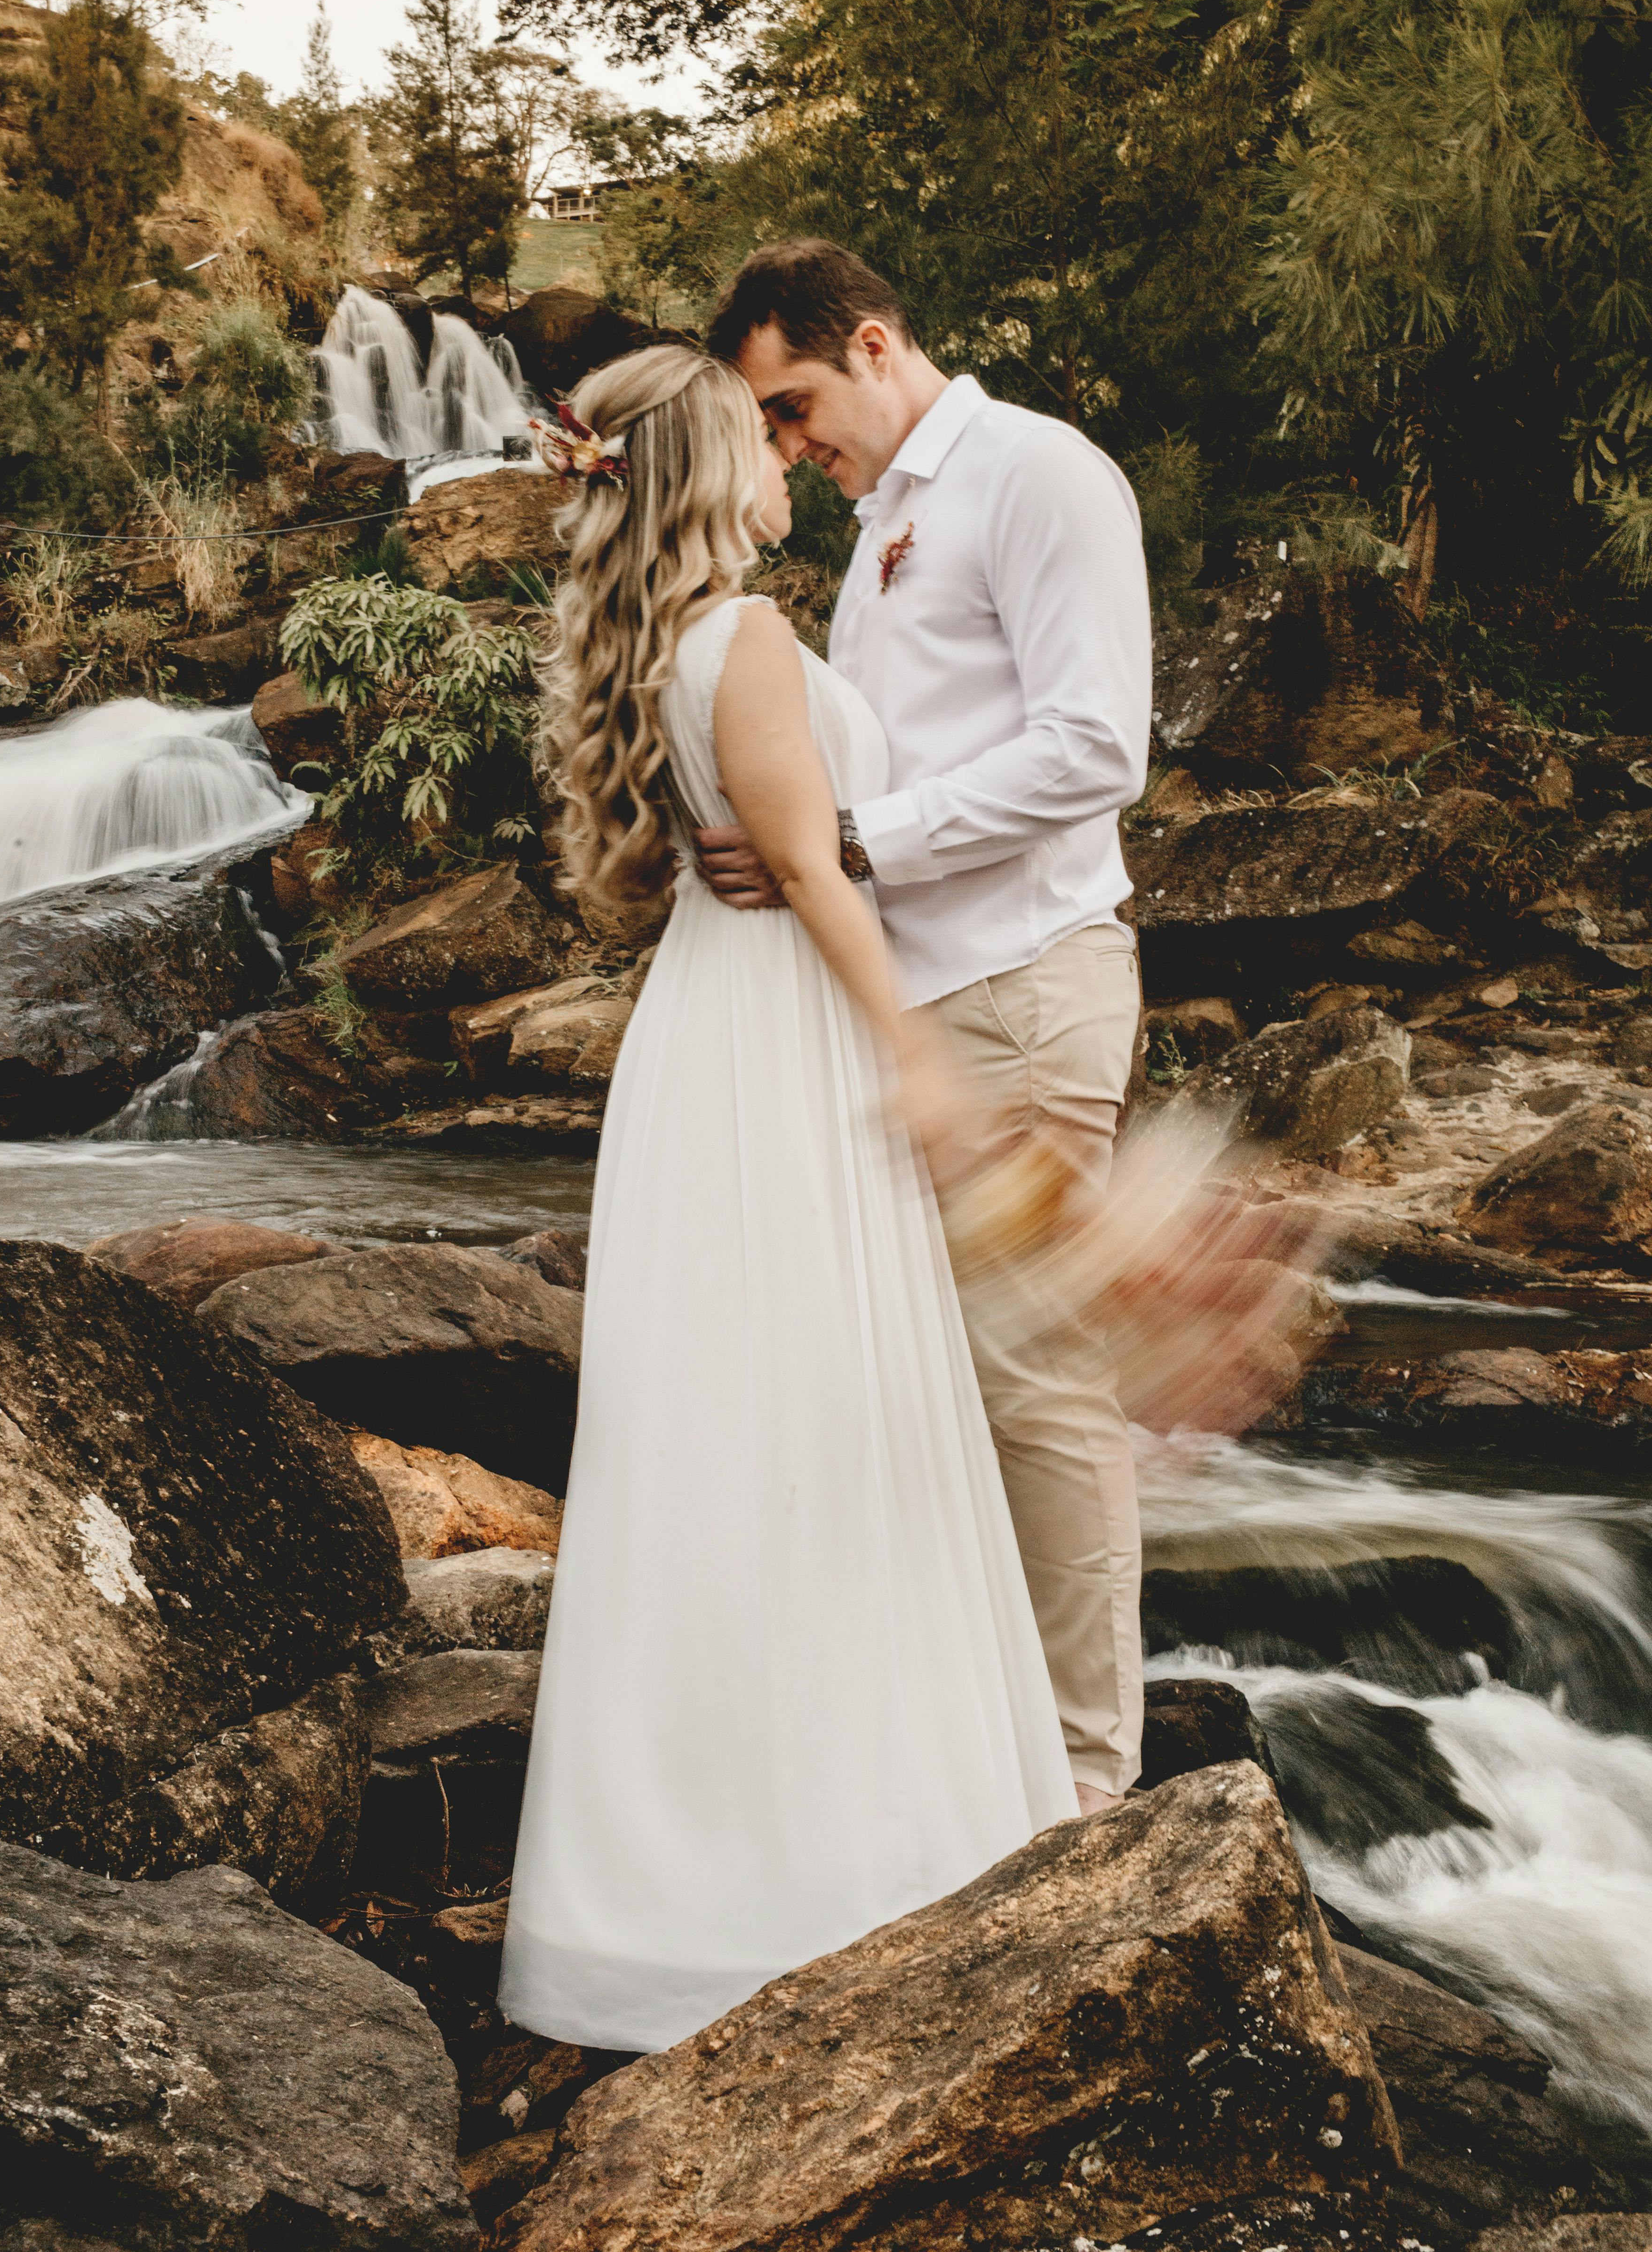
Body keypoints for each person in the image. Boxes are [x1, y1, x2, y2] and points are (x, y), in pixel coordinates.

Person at [497, 343, 1076, 2058]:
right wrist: (917, 1055)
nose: (781, 454)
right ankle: (819, 1872)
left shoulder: (684, 642)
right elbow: (813, 868)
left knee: (735, 1438)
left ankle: (701, 1863)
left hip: (715, 1037)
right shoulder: (740, 637)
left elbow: (788, 837)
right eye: (759, 433)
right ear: (701, 467)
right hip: (786, 1039)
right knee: (819, 1426)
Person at [699, 240, 1152, 1817]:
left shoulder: (1039, 473)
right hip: (917, 1010)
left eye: (799, 405)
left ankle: (1090, 1791)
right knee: (927, 1387)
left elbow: (1099, 746)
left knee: (1037, 1385)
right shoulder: (882, 520)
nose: (791, 445)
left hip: (1027, 987)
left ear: (878, 342)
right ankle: (979, 1753)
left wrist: (851, 840)